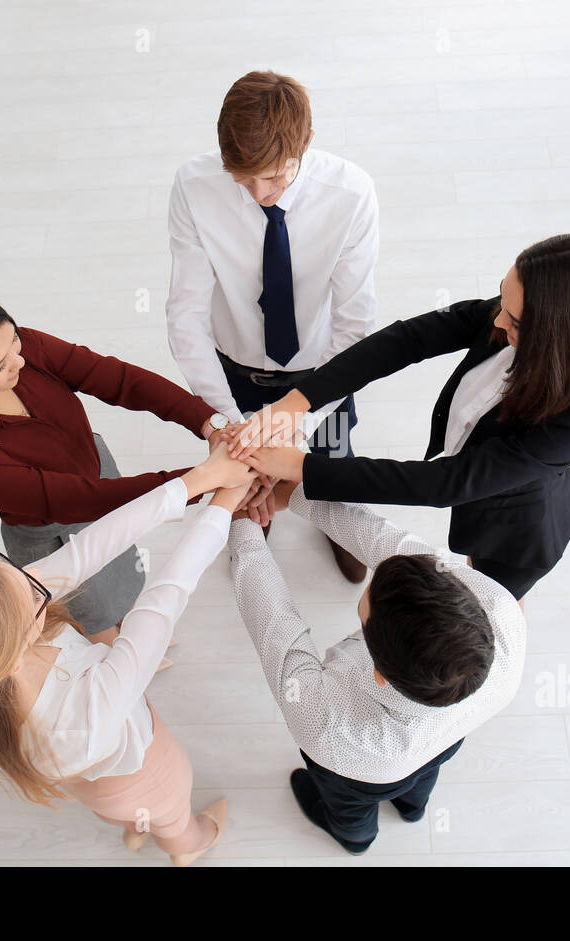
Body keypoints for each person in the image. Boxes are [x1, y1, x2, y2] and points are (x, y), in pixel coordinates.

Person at [0, 444, 255, 866]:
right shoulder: (85, 712)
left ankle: (136, 827)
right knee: (174, 817)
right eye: (30, 588)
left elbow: (89, 547)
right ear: (13, 658)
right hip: (149, 773)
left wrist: (200, 480)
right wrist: (223, 506)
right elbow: (164, 599)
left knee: (130, 811)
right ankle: (186, 847)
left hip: (96, 788)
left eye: (2, 564)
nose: (35, 577)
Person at [231, 233, 570, 604]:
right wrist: (299, 401)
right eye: (501, 302)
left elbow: (448, 482)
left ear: (558, 332)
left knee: (492, 606)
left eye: (514, 320)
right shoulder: (513, 314)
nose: (497, 320)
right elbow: (409, 340)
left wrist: (301, 467)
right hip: (480, 486)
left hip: (517, 527)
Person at [0, 284, 238, 667]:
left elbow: (116, 378)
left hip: (103, 481)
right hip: (54, 529)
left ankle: (130, 622)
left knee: (122, 568)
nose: (20, 361)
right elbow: (74, 499)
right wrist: (204, 478)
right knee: (88, 602)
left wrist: (208, 423)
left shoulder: (25, 349)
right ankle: (117, 651)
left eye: (14, 341)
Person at [226, 478, 526, 854]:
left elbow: (274, 623)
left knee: (348, 808)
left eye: (367, 600)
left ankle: (355, 839)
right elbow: (387, 541)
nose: (373, 573)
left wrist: (242, 525)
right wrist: (299, 491)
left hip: (361, 776)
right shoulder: (498, 609)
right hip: (448, 736)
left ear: (378, 672)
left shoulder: (329, 728)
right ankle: (412, 807)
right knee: (426, 773)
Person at [166, 69, 380, 582]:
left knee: (332, 459)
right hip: (231, 368)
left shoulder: (351, 195)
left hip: (322, 372)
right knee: (239, 468)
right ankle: (253, 504)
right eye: (244, 179)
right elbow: (186, 314)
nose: (261, 193)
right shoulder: (194, 189)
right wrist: (235, 431)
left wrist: (294, 428)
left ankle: (337, 516)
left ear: (308, 141)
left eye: (276, 177)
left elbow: (356, 327)